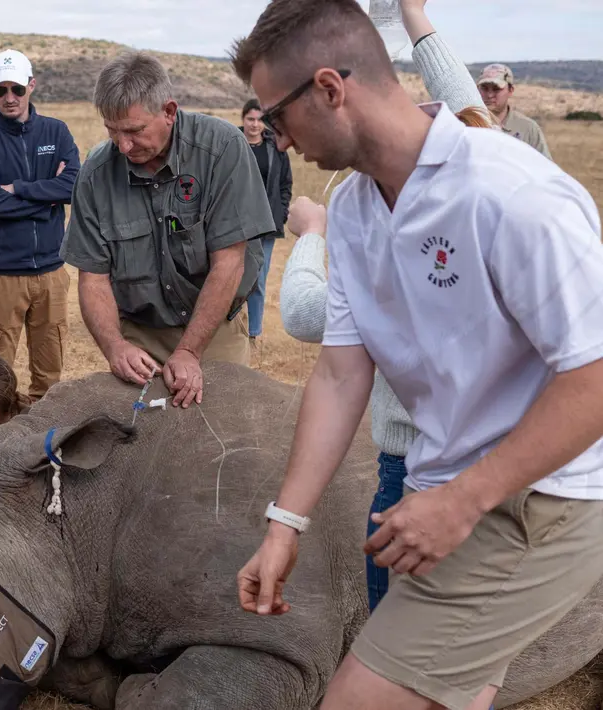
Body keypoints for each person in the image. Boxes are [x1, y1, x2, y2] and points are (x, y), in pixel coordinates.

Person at [231, 3, 603, 710]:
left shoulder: (510, 193)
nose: (273, 140)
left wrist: (462, 501)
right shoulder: (354, 212)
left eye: (275, 117)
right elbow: (341, 374)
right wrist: (285, 525)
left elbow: (594, 372)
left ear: (330, 90)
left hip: (539, 499)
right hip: (439, 491)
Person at [277, 0, 492, 613]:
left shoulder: (359, 204)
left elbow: (306, 316)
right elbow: (470, 110)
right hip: (479, 458)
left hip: (416, 458)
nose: (286, 141)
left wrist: (312, 235)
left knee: (399, 632)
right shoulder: (474, 173)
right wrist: (417, 18)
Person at [61, 52, 274, 409]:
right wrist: (115, 347)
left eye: (133, 131)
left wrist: (190, 350)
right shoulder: (96, 174)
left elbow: (229, 263)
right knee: (140, 445)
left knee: (223, 436)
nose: (123, 145)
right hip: (140, 334)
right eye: (112, 131)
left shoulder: (221, 150)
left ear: (169, 112)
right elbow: (93, 278)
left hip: (215, 327)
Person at [0, 49, 80, 401]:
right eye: (1, 90)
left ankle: (40, 452)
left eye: (16, 88)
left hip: (51, 274)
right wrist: (49, 199)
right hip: (2, 276)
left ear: (32, 85)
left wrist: (21, 189)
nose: (10, 98)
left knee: (49, 380)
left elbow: (74, 186)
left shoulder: (57, 132)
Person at [239, 98, 292, 347]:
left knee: (258, 280)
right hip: (235, 223)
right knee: (230, 277)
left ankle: (253, 332)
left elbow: (285, 184)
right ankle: (229, 331)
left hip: (265, 224)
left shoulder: (275, 148)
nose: (255, 124)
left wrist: (279, 215)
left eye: (259, 119)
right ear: (243, 120)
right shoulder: (232, 143)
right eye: (250, 119)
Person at [476, 63, 552, 159]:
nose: (490, 95)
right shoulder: (467, 124)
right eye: (484, 88)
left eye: (496, 89)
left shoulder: (528, 129)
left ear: (510, 90)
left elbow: (545, 168)